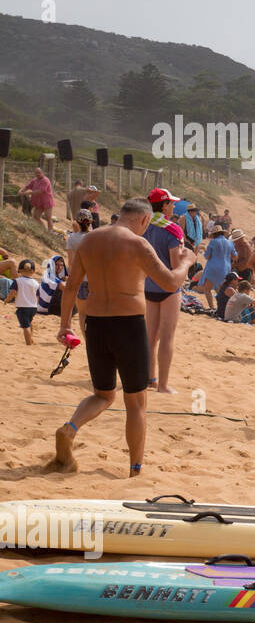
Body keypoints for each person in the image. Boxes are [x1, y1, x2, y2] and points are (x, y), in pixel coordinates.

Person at [52, 198, 195, 475]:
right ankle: (135, 469)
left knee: (103, 395)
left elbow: (71, 287)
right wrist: (187, 262)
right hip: (128, 324)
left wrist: (65, 325)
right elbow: (170, 283)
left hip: (94, 323)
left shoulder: (88, 241)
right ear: (143, 220)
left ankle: (70, 427)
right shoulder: (137, 244)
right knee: (136, 401)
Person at [142, 188, 186, 393]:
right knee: (167, 336)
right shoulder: (172, 229)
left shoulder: (144, 226)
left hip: (149, 285)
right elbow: (175, 264)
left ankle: (150, 379)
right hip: (168, 286)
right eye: (171, 203)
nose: (174, 206)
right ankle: (164, 385)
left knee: (151, 337)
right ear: (164, 205)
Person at [196, 225, 236, 310]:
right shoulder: (230, 243)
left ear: (214, 234)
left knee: (207, 289)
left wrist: (204, 250)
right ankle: (221, 307)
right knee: (220, 290)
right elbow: (235, 256)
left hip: (213, 267)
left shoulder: (213, 242)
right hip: (226, 268)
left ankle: (212, 307)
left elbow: (207, 256)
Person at [7, 259, 41, 345]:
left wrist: (7, 300)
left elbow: (13, 292)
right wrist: (35, 305)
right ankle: (31, 338)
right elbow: (37, 296)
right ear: (33, 271)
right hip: (33, 307)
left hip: (22, 307)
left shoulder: (17, 281)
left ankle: (28, 343)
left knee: (25, 326)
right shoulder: (36, 283)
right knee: (29, 322)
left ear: (20, 270)